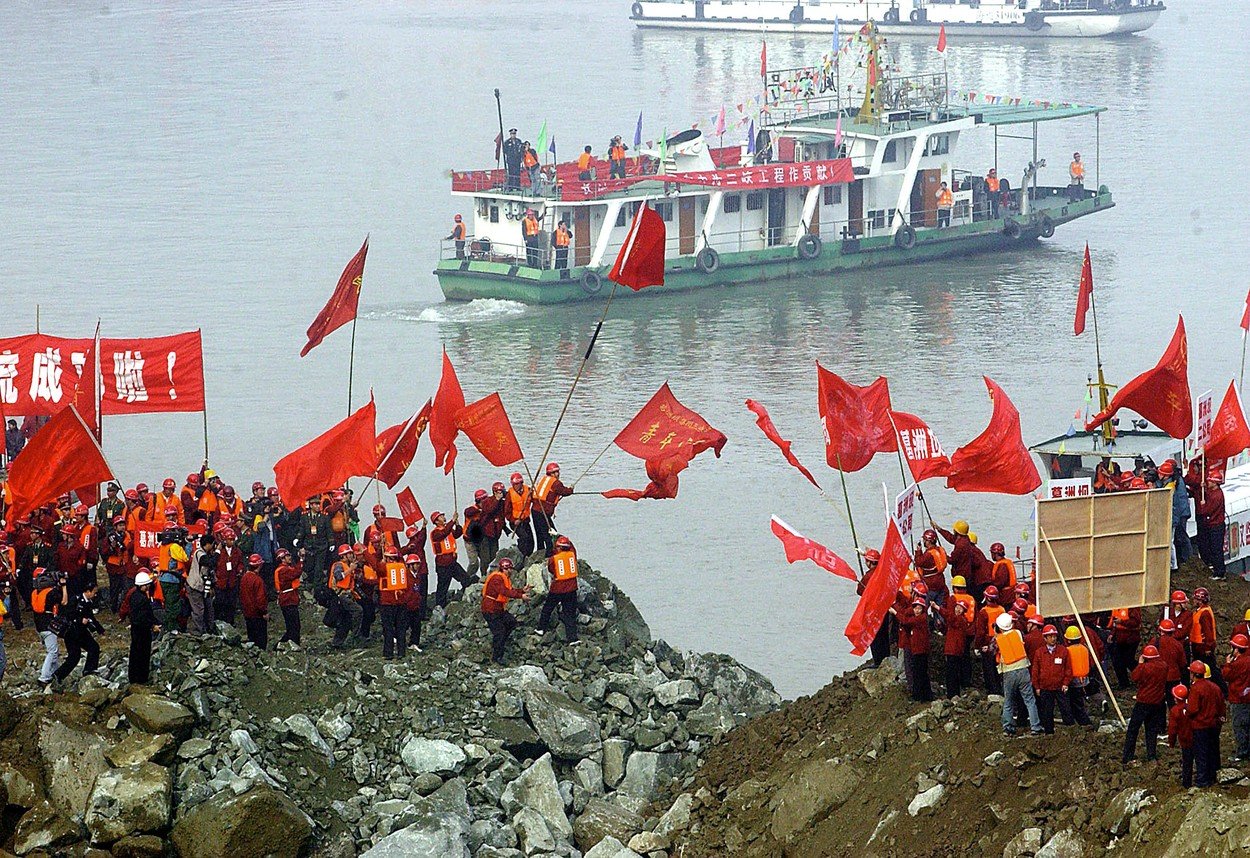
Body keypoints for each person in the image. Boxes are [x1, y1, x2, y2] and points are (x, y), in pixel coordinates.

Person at [993, 612, 1042, 736]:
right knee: (1030, 700)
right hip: (1023, 669)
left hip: (1009, 671)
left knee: (1008, 701)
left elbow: (992, 650)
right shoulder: (1018, 633)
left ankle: (1008, 728)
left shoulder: (998, 639)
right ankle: (1035, 727)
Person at [1122, 644, 1168, 763]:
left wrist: (1141, 663)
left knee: (1133, 729)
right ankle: (1151, 755)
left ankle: (1128, 755)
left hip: (1143, 702)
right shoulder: (1163, 666)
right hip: (1157, 702)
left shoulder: (1144, 668)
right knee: (1151, 729)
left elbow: (1134, 677)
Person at [481, 557, 531, 664]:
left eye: (511, 569)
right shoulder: (497, 578)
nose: (510, 571)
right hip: (490, 610)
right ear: (503, 569)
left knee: (511, 622)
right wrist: (521, 596)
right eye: (508, 569)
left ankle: (501, 643)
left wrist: (522, 590)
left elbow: (510, 591)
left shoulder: (504, 578)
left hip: (498, 609)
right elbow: (504, 592)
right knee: (499, 632)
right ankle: (497, 656)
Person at [54, 581, 104, 684]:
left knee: (94, 648)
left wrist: (99, 629)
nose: (95, 595)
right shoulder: (75, 600)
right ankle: (58, 675)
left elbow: (90, 616)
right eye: (94, 592)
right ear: (88, 591)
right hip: (71, 632)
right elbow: (68, 614)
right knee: (74, 656)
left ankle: (89, 670)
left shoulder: (88, 602)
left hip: (81, 631)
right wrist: (80, 619)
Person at [1186, 660, 1226, 787]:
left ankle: (1203, 780)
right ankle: (1214, 775)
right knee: (1213, 750)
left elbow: (1192, 710)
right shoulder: (1215, 687)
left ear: (1193, 674)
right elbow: (1221, 705)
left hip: (1200, 726)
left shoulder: (1196, 689)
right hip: (1214, 725)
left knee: (1201, 753)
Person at [1032, 625, 1075, 734]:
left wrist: (1066, 683)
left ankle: (1071, 731)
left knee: (1066, 710)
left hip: (1060, 687)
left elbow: (1068, 669)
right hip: (1045, 688)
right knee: (1047, 712)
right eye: (1050, 636)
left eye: (1054, 636)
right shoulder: (1039, 653)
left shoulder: (1063, 651)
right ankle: (1049, 733)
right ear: (1045, 638)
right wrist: (1036, 686)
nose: (1053, 639)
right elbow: (1035, 671)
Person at [539, 535, 580, 642]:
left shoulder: (554, 559)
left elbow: (551, 569)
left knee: (547, 609)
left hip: (557, 588)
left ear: (559, 548)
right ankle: (573, 638)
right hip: (571, 588)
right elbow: (573, 548)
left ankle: (541, 629)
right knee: (569, 614)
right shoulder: (572, 555)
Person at [31, 567, 67, 691]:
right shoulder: (51, 592)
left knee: (54, 651)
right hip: (48, 625)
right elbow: (64, 601)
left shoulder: (35, 592)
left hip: (39, 625)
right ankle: (44, 677)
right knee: (52, 651)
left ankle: (55, 674)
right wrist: (63, 586)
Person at [857, 549, 892, 667]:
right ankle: (886, 657)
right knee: (884, 634)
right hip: (885, 607)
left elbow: (860, 591)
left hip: (873, 610)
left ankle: (878, 661)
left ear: (869, 562)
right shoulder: (883, 571)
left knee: (875, 636)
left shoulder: (868, 576)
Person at [430, 511, 471, 609]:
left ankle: (465, 596)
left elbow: (457, 534)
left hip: (451, 561)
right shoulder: (435, 533)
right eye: (440, 516)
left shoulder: (447, 529)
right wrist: (452, 521)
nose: (443, 517)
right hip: (443, 563)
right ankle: (440, 606)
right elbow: (444, 533)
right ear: (436, 521)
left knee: (465, 578)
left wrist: (457, 525)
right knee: (443, 586)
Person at [1158, 460, 1191, 569]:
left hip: (1177, 516)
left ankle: (1180, 562)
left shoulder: (1172, 485)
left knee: (1177, 539)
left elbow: (1175, 503)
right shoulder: (1175, 481)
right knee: (1176, 539)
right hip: (1179, 514)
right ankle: (1180, 561)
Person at [533, 463, 572, 554]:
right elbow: (564, 491)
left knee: (539, 534)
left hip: (535, 510)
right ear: (550, 473)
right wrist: (571, 489)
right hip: (542, 512)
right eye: (554, 472)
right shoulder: (556, 483)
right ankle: (549, 555)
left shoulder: (543, 479)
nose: (557, 474)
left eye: (557, 472)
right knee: (550, 534)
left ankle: (539, 553)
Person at [128, 571, 159, 685]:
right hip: (142, 631)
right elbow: (145, 616)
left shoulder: (134, 596)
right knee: (143, 655)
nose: (148, 586)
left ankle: (134, 678)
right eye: (147, 585)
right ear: (142, 586)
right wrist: (152, 625)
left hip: (136, 630)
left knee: (135, 653)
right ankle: (141, 679)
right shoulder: (142, 599)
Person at [328, 544, 361, 649]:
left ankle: (337, 643)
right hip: (341, 595)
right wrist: (350, 570)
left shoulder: (347, 565)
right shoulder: (339, 565)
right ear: (344, 556)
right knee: (358, 611)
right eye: (349, 554)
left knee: (345, 620)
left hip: (346, 595)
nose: (352, 555)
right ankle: (355, 636)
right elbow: (338, 576)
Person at [378, 550, 410, 660]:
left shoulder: (384, 568)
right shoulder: (402, 567)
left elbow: (376, 567)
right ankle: (401, 652)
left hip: (387, 602)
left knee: (388, 629)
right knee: (401, 629)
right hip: (401, 602)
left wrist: (366, 552)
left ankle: (388, 653)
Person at [973, 586, 1005, 694]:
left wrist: (977, 646)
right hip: (1001, 641)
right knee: (999, 668)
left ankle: (992, 691)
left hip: (988, 643)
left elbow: (980, 632)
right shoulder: (1002, 609)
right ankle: (1000, 689)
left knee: (988, 668)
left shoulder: (984, 612)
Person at [1192, 478, 1226, 579]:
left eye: (1210, 482)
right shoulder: (1215, 493)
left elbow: (1207, 510)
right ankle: (1217, 570)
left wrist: (1202, 505)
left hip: (1215, 526)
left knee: (1216, 549)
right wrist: (1203, 489)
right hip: (1214, 525)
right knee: (1214, 548)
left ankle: (1219, 572)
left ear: (1215, 483)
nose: (1208, 483)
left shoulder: (1217, 496)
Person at [1062, 626, 1094, 726]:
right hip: (1085, 679)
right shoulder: (1085, 648)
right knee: (1080, 703)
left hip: (1073, 681)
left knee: (1076, 705)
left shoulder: (1067, 650)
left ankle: (1085, 723)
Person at [1225, 633, 1250, 761]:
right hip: (1247, 697)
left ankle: (1242, 752)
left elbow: (1227, 676)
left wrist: (1228, 664)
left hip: (1238, 698)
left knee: (1239, 726)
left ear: (1236, 649)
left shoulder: (1237, 664)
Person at [941, 596, 971, 698]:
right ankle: (953, 694)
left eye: (960, 608)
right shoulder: (959, 620)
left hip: (954, 650)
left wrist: (938, 608)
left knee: (952, 673)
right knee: (951, 673)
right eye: (957, 607)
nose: (957, 609)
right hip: (952, 650)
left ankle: (952, 694)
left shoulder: (960, 620)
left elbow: (951, 618)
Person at [186, 533, 216, 635]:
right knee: (199, 610)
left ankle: (209, 629)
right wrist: (218, 552)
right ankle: (197, 632)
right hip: (194, 586)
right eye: (212, 544)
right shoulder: (199, 553)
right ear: (207, 544)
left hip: (203, 586)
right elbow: (208, 563)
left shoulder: (206, 554)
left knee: (209, 607)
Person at [1168, 684, 1195, 787]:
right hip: (1196, 737)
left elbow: (1172, 729)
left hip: (1185, 740)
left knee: (1187, 763)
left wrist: (1171, 742)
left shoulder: (1175, 711)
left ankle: (1187, 784)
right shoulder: (1191, 706)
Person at [273, 548, 301, 646]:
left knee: (293, 626)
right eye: (287, 556)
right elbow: (295, 573)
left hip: (289, 599)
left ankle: (287, 644)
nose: (290, 557)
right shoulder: (283, 570)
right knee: (293, 626)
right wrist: (301, 561)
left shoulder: (284, 569)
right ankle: (289, 644)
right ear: (282, 559)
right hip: (288, 600)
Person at [215, 528, 244, 626]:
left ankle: (230, 622)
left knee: (231, 603)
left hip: (232, 581)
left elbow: (240, 562)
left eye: (233, 539)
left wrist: (239, 569)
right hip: (221, 581)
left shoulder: (237, 551)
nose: (232, 541)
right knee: (220, 603)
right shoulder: (219, 551)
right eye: (230, 539)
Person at [239, 554, 268, 649]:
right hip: (257, 615)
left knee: (251, 640)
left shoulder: (244, 578)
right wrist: (264, 612)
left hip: (247, 614)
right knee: (261, 642)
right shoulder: (258, 580)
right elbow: (261, 600)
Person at [1109, 607, 1142, 689]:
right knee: (1117, 661)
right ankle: (1123, 683)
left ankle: (1142, 678)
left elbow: (1135, 622)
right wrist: (1112, 634)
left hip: (1130, 638)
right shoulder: (1117, 607)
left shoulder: (1133, 608)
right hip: (1119, 638)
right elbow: (1114, 623)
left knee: (1129, 660)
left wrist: (1122, 622)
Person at [505, 473, 535, 558]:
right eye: (516, 484)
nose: (518, 485)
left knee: (531, 540)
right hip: (515, 522)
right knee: (524, 538)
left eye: (520, 483)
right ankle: (521, 555)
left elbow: (535, 500)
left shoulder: (528, 490)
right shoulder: (509, 495)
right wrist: (513, 520)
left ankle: (529, 556)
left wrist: (534, 494)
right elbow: (507, 511)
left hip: (525, 520)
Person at [480, 482, 506, 571]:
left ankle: (492, 572)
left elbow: (502, 516)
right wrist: (497, 500)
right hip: (486, 533)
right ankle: (483, 574)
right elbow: (489, 510)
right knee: (485, 558)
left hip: (495, 534)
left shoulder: (502, 503)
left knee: (494, 556)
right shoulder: (487, 501)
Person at [403, 553, 425, 652]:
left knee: (417, 625)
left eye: (418, 564)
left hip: (415, 605)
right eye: (415, 564)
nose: (417, 566)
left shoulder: (417, 576)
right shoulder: (406, 576)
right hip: (407, 606)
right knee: (405, 625)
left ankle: (414, 643)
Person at [464, 491, 487, 579]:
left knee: (485, 560)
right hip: (469, 540)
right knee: (474, 563)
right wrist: (479, 510)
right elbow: (467, 512)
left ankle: (484, 576)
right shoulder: (472, 510)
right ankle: (467, 579)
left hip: (479, 539)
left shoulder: (486, 510)